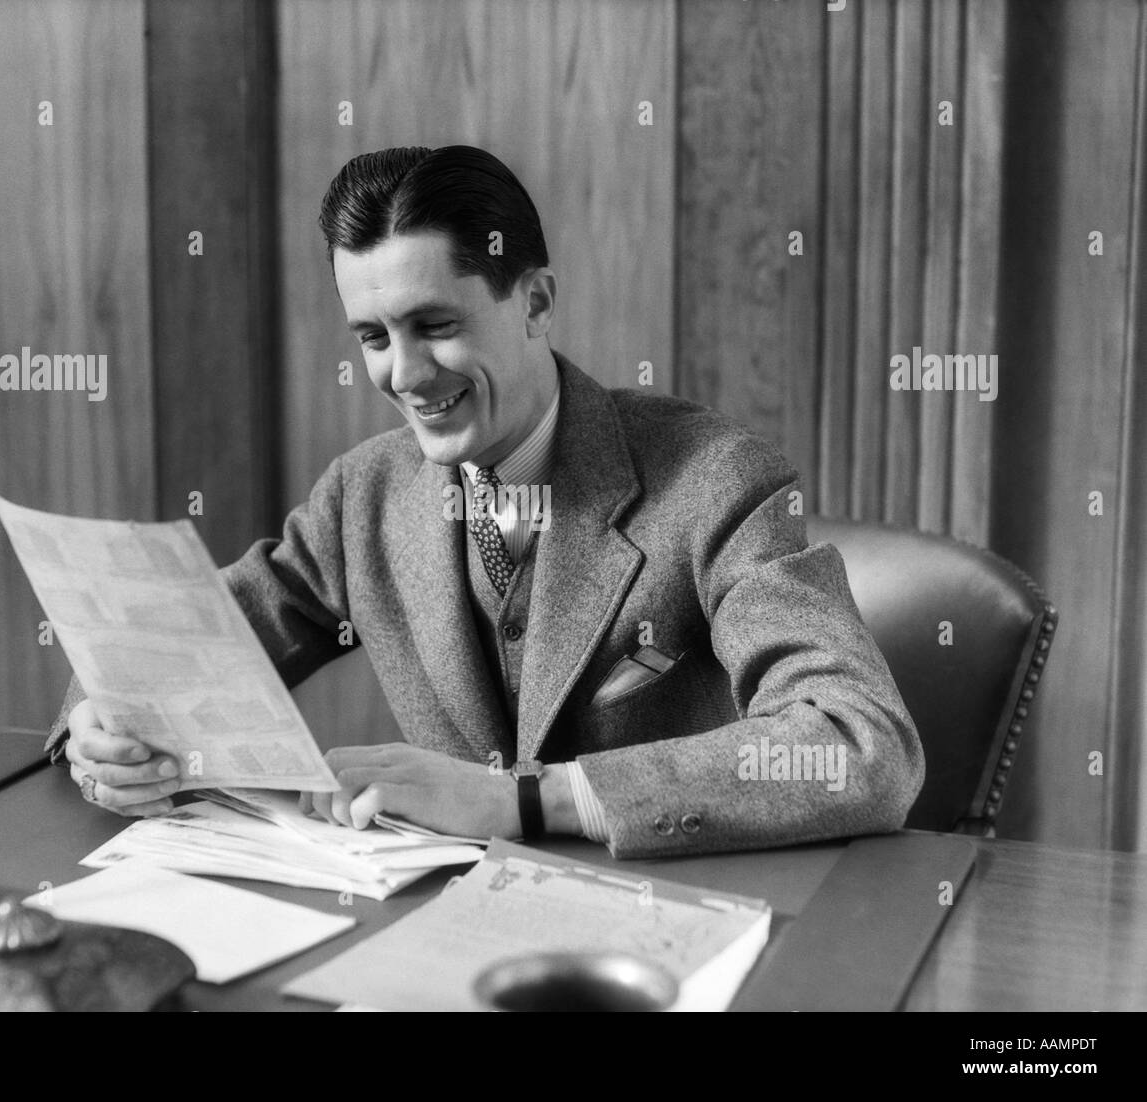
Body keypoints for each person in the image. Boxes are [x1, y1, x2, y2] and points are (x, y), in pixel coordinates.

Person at [46, 145, 923, 858]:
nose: (406, 374)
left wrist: (531, 801)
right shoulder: (365, 493)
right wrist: (101, 723)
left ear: (534, 300)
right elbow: (165, 646)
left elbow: (860, 746)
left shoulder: (715, 480)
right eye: (373, 338)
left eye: (435, 326)